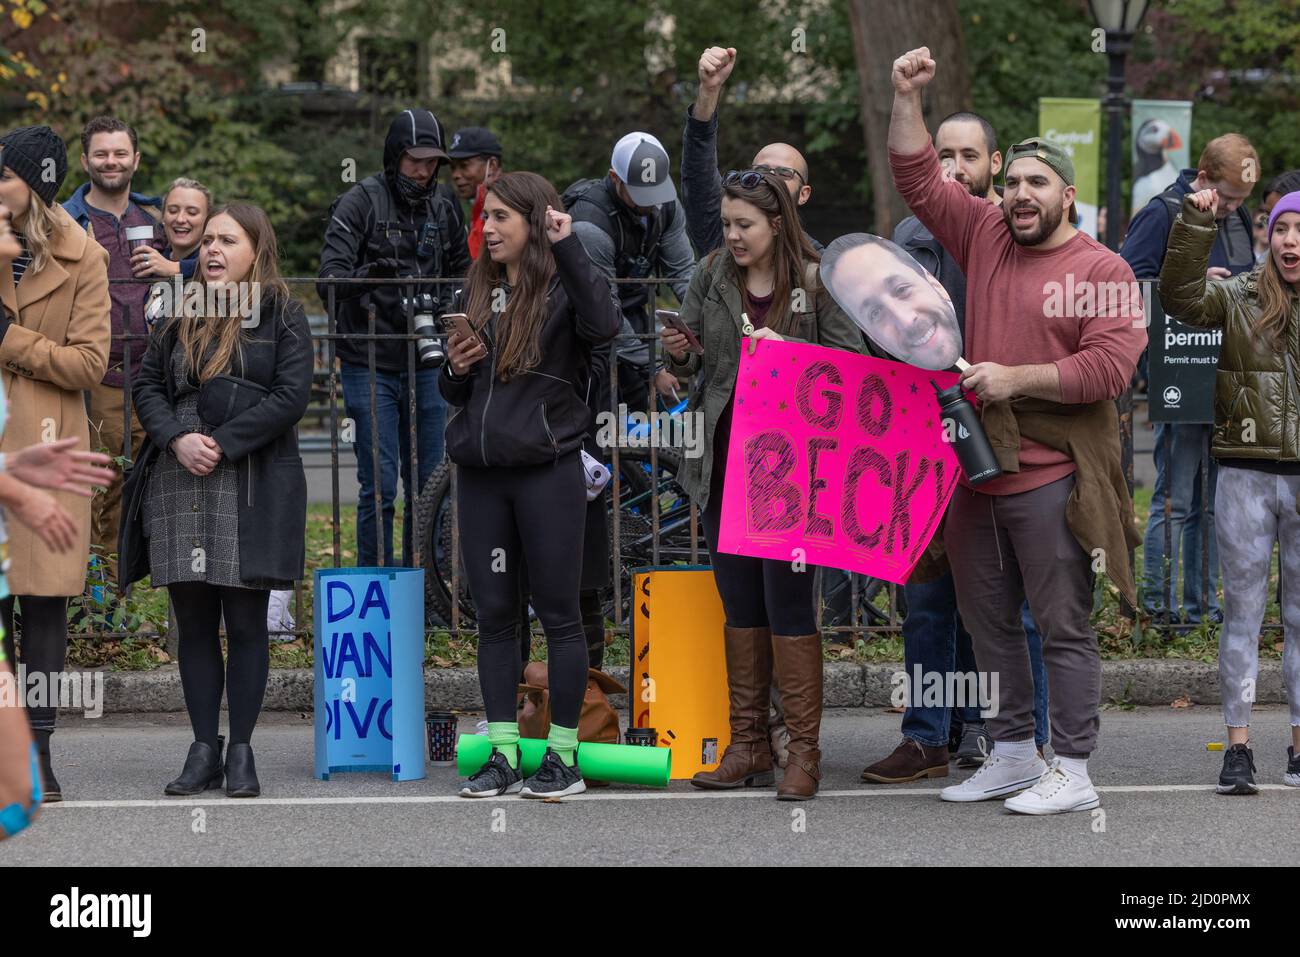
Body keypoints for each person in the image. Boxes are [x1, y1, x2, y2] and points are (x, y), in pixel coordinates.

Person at [889, 47, 1145, 814]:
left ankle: (1073, 766)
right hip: (975, 469)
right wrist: (906, 96)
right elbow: (917, 178)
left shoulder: (1105, 270)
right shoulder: (987, 233)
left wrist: (1011, 377)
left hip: (1052, 478)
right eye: (1011, 185)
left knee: (1061, 625)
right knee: (987, 618)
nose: (1020, 196)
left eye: (1037, 183)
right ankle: (1008, 752)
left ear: (1067, 194)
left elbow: (1109, 371)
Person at [855, 112, 1049, 783]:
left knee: (997, 596)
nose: (954, 167)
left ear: (994, 166)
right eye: (943, 154)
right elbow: (881, 334)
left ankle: (1004, 737)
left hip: (1001, 434)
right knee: (929, 597)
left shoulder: (1016, 235)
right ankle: (927, 736)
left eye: (969, 155)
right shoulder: (910, 238)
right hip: (922, 434)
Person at [662, 169, 863, 801]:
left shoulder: (814, 278)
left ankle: (803, 753)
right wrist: (678, 352)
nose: (732, 236)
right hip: (725, 459)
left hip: (793, 469)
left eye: (743, 225)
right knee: (740, 602)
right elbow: (689, 361)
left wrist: (790, 356)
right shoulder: (712, 274)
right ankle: (747, 745)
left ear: (777, 223)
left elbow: (851, 366)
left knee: (789, 605)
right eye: (725, 224)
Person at [442, 172, 619, 798]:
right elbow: (459, 394)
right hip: (485, 477)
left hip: (548, 474)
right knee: (494, 617)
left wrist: (567, 244)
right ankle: (502, 753)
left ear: (535, 221)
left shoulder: (566, 286)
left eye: (500, 218)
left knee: (559, 615)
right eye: (484, 217)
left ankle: (564, 757)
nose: (487, 228)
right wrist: (455, 370)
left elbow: (605, 326)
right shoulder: (482, 290)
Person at [128, 203, 312, 799]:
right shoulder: (180, 308)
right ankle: (203, 748)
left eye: (227, 240)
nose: (211, 249)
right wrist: (176, 439)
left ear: (255, 250)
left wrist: (223, 444)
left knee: (246, 621)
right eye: (207, 239)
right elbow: (146, 384)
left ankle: (241, 752)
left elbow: (290, 396)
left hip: (248, 480)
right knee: (194, 623)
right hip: (181, 478)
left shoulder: (282, 311)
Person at [1159, 186, 1300, 794]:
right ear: (1267, 235)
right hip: (1244, 471)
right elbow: (1179, 296)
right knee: (1242, 616)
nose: (1292, 240)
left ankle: (1299, 748)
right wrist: (1196, 222)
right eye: (1283, 228)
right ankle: (1237, 748)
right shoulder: (1240, 295)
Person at [0, 125, 112, 802]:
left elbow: (90, 364)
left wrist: (11, 340)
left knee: (43, 607)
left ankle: (40, 755)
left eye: (5, 177)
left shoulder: (85, 257)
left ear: (33, 187)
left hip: (49, 450)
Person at [318, 108, 470, 568]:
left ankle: (427, 584)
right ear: (394, 157)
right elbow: (327, 280)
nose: (422, 171)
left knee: (430, 482)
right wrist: (367, 278)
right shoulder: (359, 202)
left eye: (430, 162)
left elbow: (465, 270)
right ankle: (377, 583)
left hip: (428, 358)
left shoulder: (444, 206)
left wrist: (449, 306)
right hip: (369, 359)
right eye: (413, 161)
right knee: (379, 484)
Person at [1124, 134, 1259, 627]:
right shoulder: (1162, 212)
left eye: (1240, 202)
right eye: (1225, 198)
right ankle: (1160, 609)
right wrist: (1193, 286)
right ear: (1202, 177)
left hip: (1226, 373)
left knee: (1212, 501)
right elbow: (1127, 283)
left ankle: (1201, 607)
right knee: (1175, 497)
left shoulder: (1237, 217)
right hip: (1177, 370)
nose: (1230, 209)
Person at [61, 117, 162, 597]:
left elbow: (205, 267)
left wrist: (173, 265)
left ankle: (137, 591)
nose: (112, 162)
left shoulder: (158, 219)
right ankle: (98, 598)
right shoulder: (66, 220)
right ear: (85, 161)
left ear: (136, 160)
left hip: (158, 375)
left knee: (150, 486)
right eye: (101, 154)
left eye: (120, 153)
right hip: (99, 373)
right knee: (101, 485)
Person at [682, 45, 821, 256]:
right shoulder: (722, 239)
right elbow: (698, 172)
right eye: (762, 171)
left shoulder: (815, 261)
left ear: (804, 194)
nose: (770, 179)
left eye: (783, 173)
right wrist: (709, 90)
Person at [130, 177, 212, 284]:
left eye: (192, 212)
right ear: (163, 217)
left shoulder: (215, 260)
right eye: (173, 211)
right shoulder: (155, 261)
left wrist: (176, 268)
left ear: (209, 220)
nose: (180, 219)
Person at [447, 127, 503, 260]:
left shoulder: (507, 205)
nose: (455, 175)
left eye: (464, 165)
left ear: (493, 165)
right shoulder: (480, 204)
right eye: (453, 167)